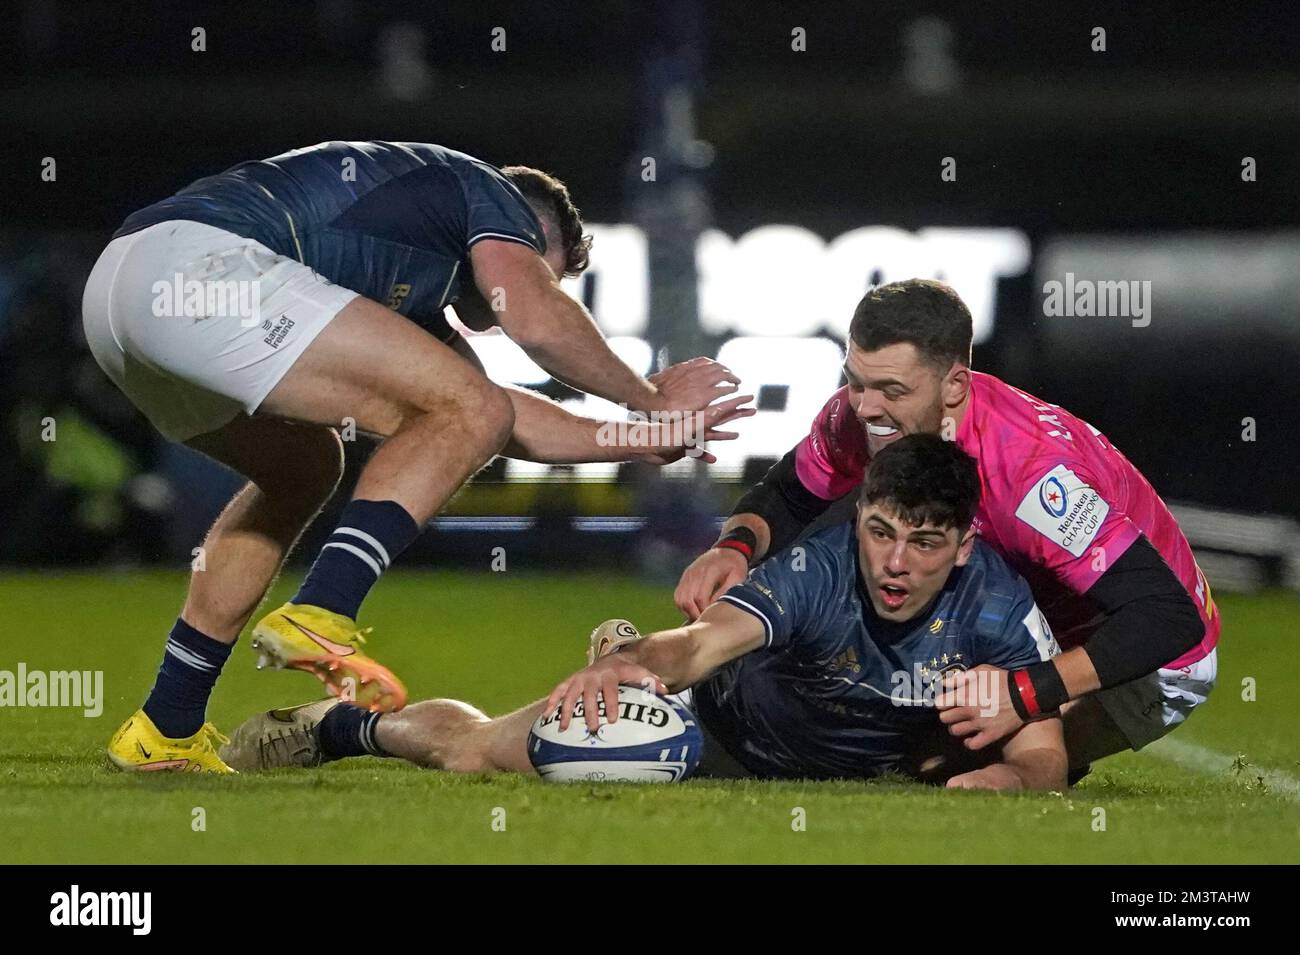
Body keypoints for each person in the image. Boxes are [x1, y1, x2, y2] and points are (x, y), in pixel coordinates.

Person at [85, 141, 750, 773]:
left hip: (123, 294)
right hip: (203, 267)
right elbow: (537, 324)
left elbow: (501, 417)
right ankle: (321, 612)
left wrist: (640, 440)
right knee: (466, 407)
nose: (526, 284)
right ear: (532, 229)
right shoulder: (494, 195)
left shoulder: (412, 264)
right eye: (544, 269)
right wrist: (649, 398)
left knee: (305, 467)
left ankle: (164, 727)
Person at [221, 436, 1067, 791]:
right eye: (879, 531)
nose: (893, 561)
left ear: (962, 546)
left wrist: (1013, 779)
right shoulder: (818, 569)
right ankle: (345, 727)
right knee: (478, 754)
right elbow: (703, 644)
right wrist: (633, 666)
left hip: (835, 770)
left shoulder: (998, 603)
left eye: (922, 544)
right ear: (859, 520)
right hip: (707, 725)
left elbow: (1045, 754)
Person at [673, 279, 1217, 775]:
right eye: (855, 381)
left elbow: (1167, 619)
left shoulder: (1031, 477)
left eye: (891, 389)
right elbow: (790, 493)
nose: (864, 408)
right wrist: (735, 548)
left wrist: (1026, 694)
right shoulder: (859, 413)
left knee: (936, 768)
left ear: (954, 385)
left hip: (1146, 657)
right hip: (1025, 624)